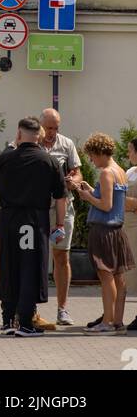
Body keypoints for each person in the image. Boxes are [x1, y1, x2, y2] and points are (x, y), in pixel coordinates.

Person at [0, 116, 67, 336]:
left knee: (9, 267)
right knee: (30, 269)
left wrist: (9, 151)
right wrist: (59, 224)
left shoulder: (5, 158)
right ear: (39, 135)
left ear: (19, 134)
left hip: (9, 220)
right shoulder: (49, 161)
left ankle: (8, 320)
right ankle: (27, 323)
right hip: (34, 221)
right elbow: (60, 197)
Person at [74, 132, 135, 332]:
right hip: (117, 230)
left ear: (100, 152)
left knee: (106, 275)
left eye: (92, 155)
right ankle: (117, 320)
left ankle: (107, 322)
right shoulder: (120, 170)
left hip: (103, 230)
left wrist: (86, 196)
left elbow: (106, 205)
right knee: (118, 276)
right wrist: (91, 189)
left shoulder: (106, 172)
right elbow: (113, 198)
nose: (91, 160)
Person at [38, 107, 82, 325]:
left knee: (61, 256)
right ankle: (31, 308)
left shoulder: (66, 144)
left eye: (56, 128)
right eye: (48, 128)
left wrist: (73, 180)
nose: (52, 132)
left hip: (63, 208)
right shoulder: (32, 143)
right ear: (40, 125)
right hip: (37, 209)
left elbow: (77, 171)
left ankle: (62, 309)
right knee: (34, 257)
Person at [123, 137, 137, 321]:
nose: (128, 154)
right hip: (128, 227)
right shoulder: (130, 171)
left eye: (130, 150)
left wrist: (131, 203)